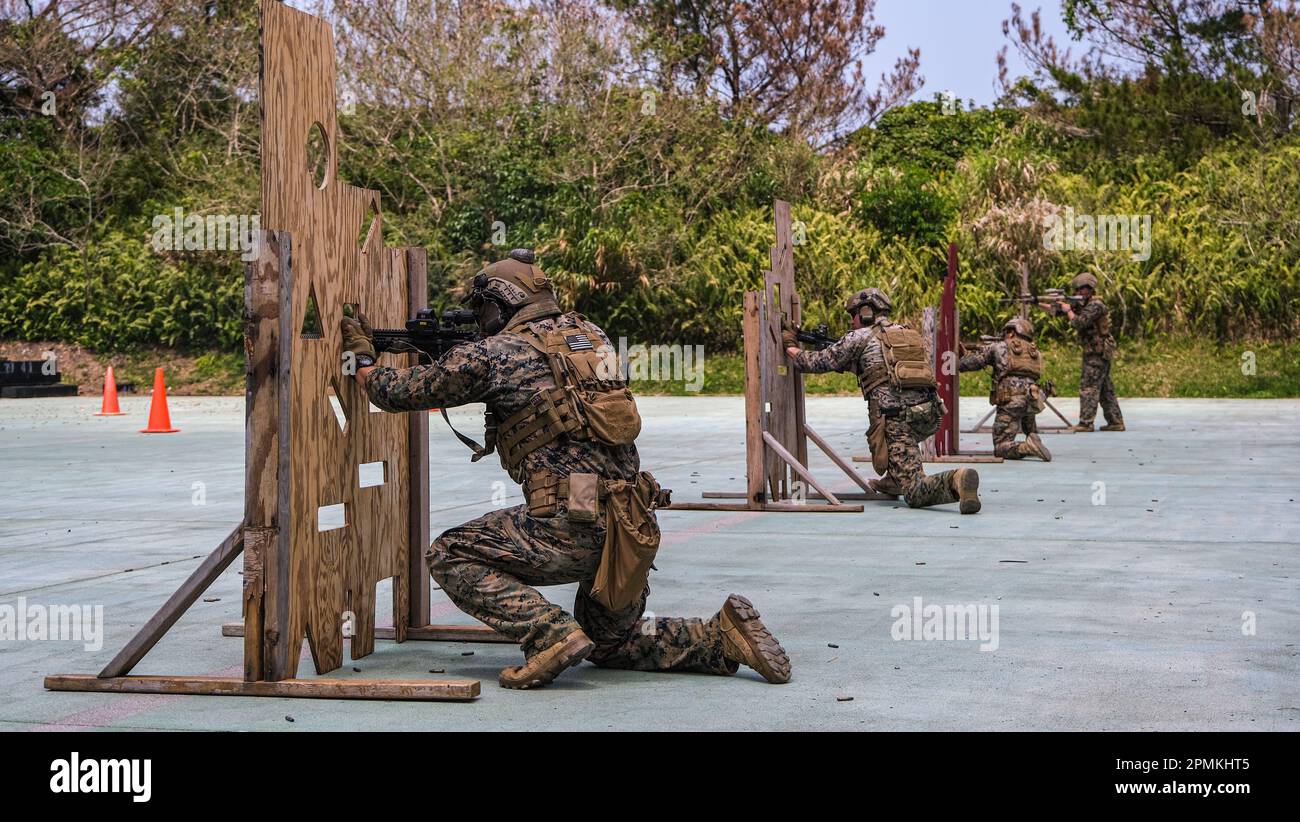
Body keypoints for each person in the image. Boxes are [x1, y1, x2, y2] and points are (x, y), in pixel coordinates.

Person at [339, 248, 791, 689]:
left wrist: (361, 359)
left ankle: (549, 633)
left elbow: (398, 392)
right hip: (629, 527)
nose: (481, 322)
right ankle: (721, 637)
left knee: (450, 553)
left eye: (483, 310)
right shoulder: (592, 338)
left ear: (503, 302)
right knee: (613, 644)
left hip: (568, 527)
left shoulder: (495, 354)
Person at [783, 287, 981, 514]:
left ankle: (956, 479)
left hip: (898, 420)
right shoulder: (907, 334)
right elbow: (882, 368)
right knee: (899, 451)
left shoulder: (859, 337)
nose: (852, 322)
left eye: (853, 315)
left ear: (865, 312)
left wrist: (790, 346)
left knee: (914, 492)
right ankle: (895, 478)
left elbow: (813, 363)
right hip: (928, 415)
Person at [958, 317, 1053, 461]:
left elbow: (968, 365)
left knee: (1001, 447)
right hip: (1032, 401)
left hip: (1010, 402)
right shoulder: (1034, 352)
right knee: (1026, 425)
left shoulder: (1000, 347)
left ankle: (1026, 447)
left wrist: (962, 356)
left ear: (1011, 332)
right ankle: (1032, 438)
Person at [1040, 273, 1125, 432]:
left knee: (1089, 387)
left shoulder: (1095, 305)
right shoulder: (1083, 304)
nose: (1078, 293)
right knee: (1105, 390)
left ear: (1089, 289)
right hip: (1095, 351)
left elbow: (1079, 323)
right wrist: (1037, 303)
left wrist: (1067, 310)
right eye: (1077, 290)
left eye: (1081, 290)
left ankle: (1086, 423)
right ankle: (1115, 421)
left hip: (1097, 351)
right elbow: (1054, 311)